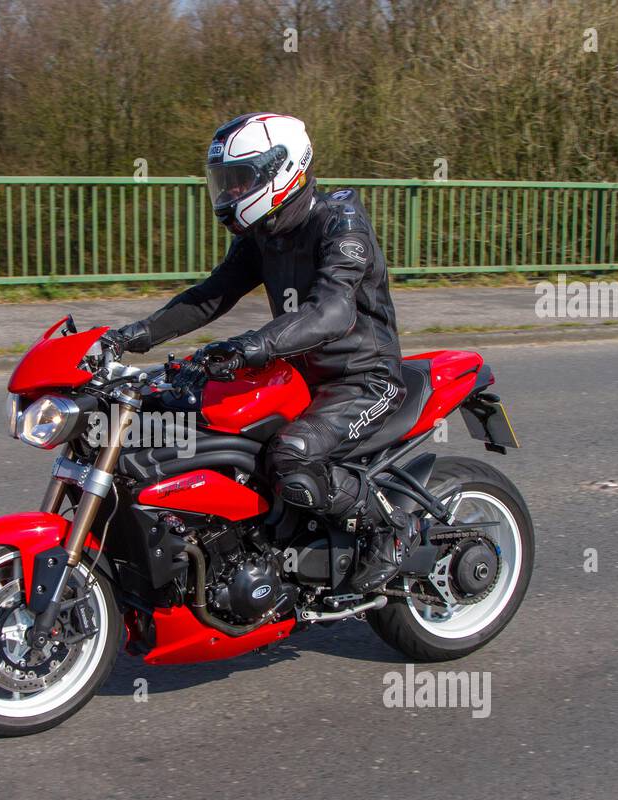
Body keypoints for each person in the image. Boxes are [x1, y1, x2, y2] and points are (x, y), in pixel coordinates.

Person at [100, 112, 413, 593]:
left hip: (363, 379)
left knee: (291, 456)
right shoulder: (265, 232)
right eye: (225, 182)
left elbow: (332, 312)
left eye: (240, 180)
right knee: (199, 424)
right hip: (296, 375)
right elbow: (211, 296)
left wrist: (254, 346)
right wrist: (128, 337)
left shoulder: (341, 224)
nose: (229, 194)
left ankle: (391, 531)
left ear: (282, 170)